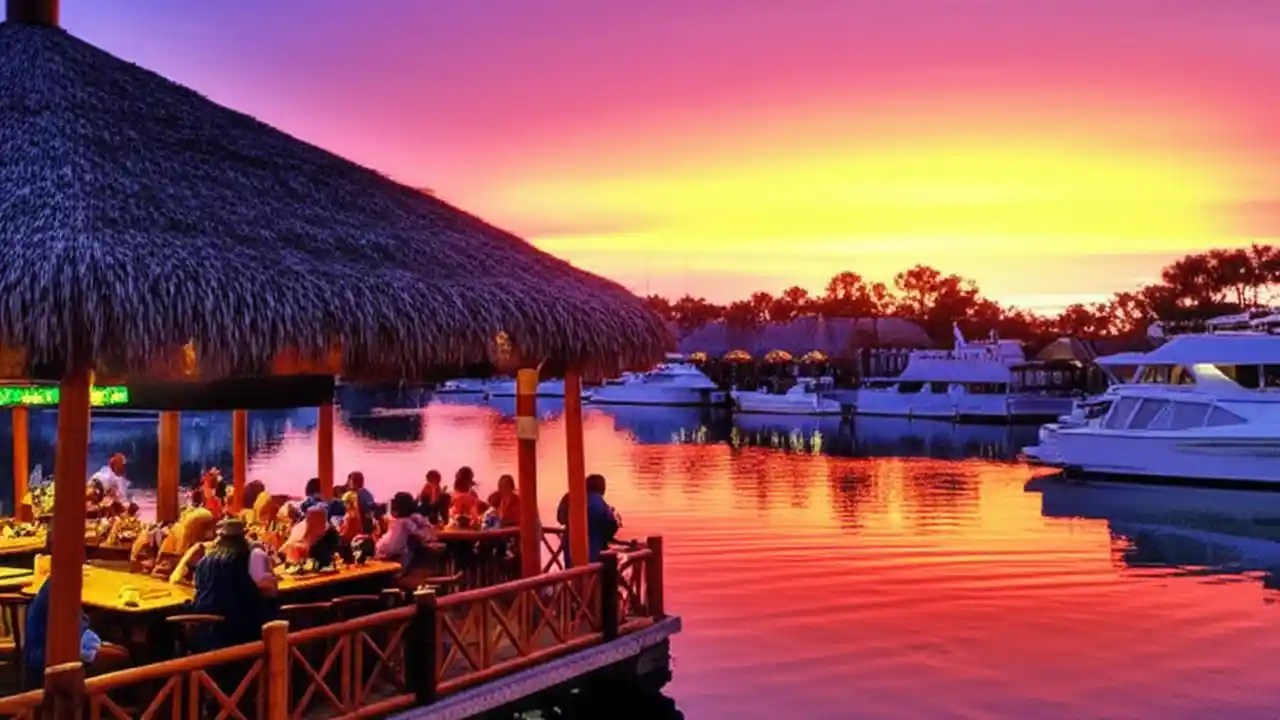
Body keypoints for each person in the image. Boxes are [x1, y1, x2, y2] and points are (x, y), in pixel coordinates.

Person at [24, 536, 130, 689]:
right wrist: (106, 650)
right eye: (80, 552)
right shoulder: (60, 587)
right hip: (49, 668)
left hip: (52, 657)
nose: (84, 559)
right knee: (127, 659)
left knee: (117, 644)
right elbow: (78, 644)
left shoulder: (59, 581)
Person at [186, 518, 277, 649]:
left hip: (204, 630)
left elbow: (198, 588)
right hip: (233, 633)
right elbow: (247, 596)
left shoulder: (204, 561)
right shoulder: (239, 560)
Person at [375, 492, 438, 590]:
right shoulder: (406, 522)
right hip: (396, 557)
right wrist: (424, 524)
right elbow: (425, 536)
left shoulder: (394, 522)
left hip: (381, 552)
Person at [556, 474, 620, 567]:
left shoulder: (569, 496)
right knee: (610, 562)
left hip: (570, 550)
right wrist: (615, 517)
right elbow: (611, 525)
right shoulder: (598, 501)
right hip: (592, 553)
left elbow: (560, 518)